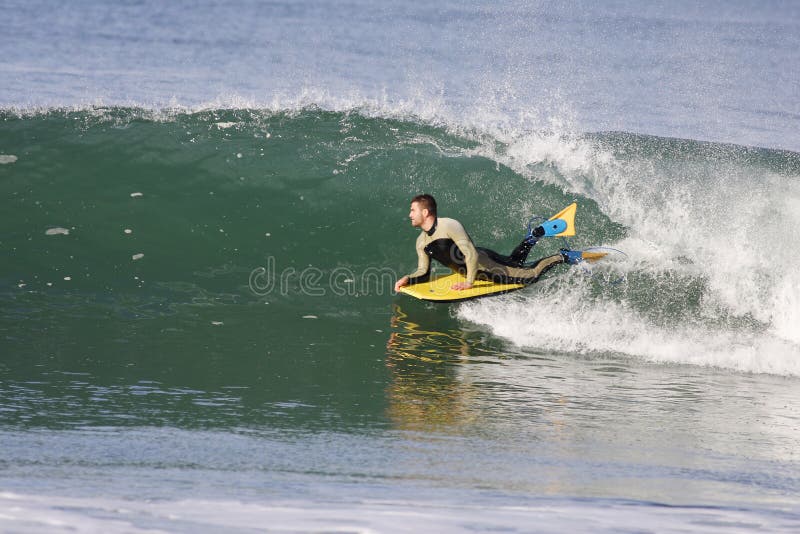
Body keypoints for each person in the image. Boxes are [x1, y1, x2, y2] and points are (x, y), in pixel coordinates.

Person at [394, 194, 580, 292]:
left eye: (413, 210)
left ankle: (562, 256)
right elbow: (423, 272)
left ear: (425, 212)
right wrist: (409, 279)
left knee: (529, 276)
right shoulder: (421, 241)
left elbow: (471, 255)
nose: (409, 215)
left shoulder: (449, 225)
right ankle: (534, 236)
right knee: (514, 262)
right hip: (480, 263)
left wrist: (469, 282)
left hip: (484, 265)